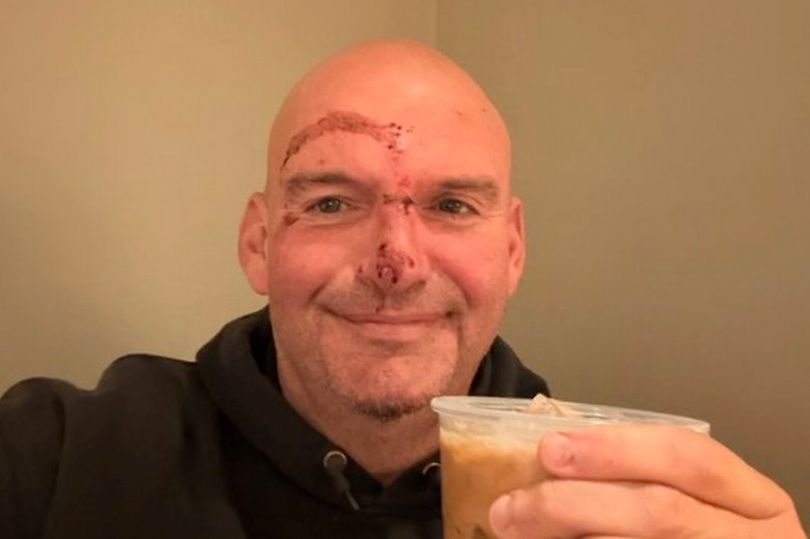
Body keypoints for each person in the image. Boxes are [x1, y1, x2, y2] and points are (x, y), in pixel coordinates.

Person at [0, 39, 805, 539]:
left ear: (512, 248)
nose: (397, 259)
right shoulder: (55, 458)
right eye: (331, 202)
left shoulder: (617, 504)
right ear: (258, 241)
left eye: (452, 205)